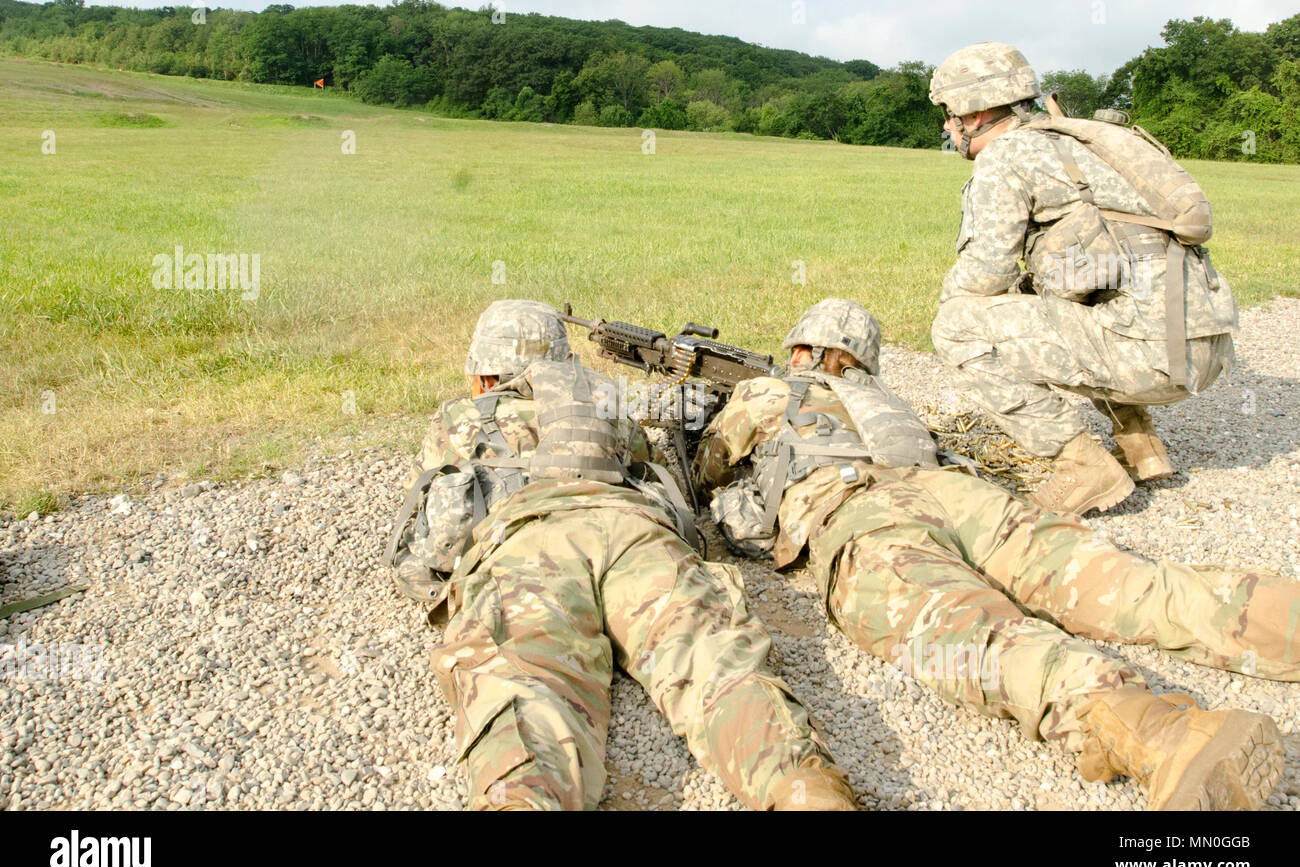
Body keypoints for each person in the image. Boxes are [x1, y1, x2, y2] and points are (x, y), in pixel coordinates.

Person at [692, 298, 1292, 811]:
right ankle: (1278, 618)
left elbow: (709, 466)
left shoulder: (769, 389)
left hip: (864, 516)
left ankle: (1160, 735)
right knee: (1130, 584)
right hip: (965, 497)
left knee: (975, 635)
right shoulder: (887, 405)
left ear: (810, 352)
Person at [387, 299, 856, 811]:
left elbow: (434, 524)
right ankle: (805, 793)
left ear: (482, 378)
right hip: (635, 533)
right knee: (720, 662)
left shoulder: (459, 417)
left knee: (524, 691)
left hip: (530, 543)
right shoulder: (606, 403)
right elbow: (650, 466)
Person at [926, 42, 1238, 516]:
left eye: (951, 113)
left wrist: (951, 301)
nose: (948, 126)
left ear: (977, 111)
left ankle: (1081, 468)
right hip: (1205, 345)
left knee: (957, 325)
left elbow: (985, 275)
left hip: (1152, 356)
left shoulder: (1006, 156)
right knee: (1068, 301)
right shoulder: (1079, 139)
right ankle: (1141, 448)